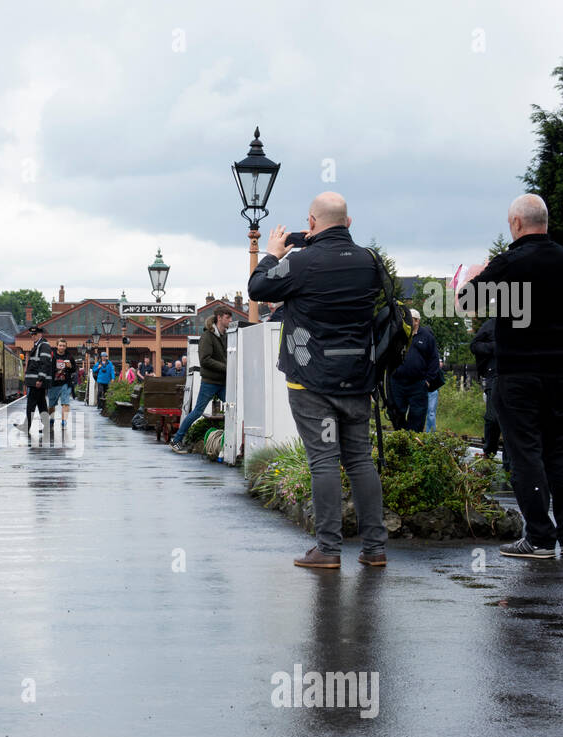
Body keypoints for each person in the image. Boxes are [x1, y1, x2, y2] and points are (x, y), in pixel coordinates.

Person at [247, 191, 387, 569]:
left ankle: (328, 549)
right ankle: (375, 549)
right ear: (349, 223)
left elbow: (258, 289)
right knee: (360, 460)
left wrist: (275, 252)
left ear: (310, 222)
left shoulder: (302, 262)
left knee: (324, 461)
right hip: (358, 376)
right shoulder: (369, 261)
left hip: (312, 380)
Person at [456, 193, 563, 559]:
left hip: (517, 371)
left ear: (515, 224)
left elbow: (467, 302)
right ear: (545, 221)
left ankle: (540, 538)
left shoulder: (509, 262)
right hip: (559, 370)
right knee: (560, 450)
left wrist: (476, 276)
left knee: (525, 452)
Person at [170, 306, 232, 453]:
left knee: (233, 408)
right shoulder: (207, 336)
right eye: (227, 317)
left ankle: (231, 442)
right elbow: (204, 360)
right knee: (197, 411)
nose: (230, 320)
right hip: (210, 382)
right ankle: (176, 440)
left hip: (222, 382)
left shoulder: (224, 336)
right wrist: (227, 367)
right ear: (219, 318)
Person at [390, 309, 441, 432]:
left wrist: (428, 380)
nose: (405, 322)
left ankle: (413, 439)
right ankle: (400, 435)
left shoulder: (427, 337)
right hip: (398, 382)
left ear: (417, 321)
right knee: (395, 412)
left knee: (418, 415)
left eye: (409, 320)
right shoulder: (398, 335)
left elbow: (434, 359)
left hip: (418, 383)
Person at [470, 316, 504, 464]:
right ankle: (489, 451)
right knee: (492, 417)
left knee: (511, 420)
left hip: (516, 376)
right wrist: (494, 347)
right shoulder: (491, 325)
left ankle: (509, 464)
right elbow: (474, 345)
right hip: (494, 376)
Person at [17, 325, 53, 434]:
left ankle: (26, 426)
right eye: (32, 334)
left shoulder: (43, 345)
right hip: (36, 381)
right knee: (41, 404)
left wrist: (40, 379)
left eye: (35, 334)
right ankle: (47, 426)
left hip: (37, 381)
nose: (33, 336)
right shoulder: (38, 345)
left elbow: (45, 363)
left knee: (31, 404)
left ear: (40, 334)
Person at [47, 337, 77, 433]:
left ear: (66, 346)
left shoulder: (69, 357)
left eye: (64, 346)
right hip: (54, 383)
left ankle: (64, 422)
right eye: (60, 345)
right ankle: (51, 420)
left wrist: (70, 367)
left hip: (65, 383)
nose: (62, 347)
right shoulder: (52, 355)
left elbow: (74, 369)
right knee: (51, 405)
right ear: (57, 346)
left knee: (65, 403)